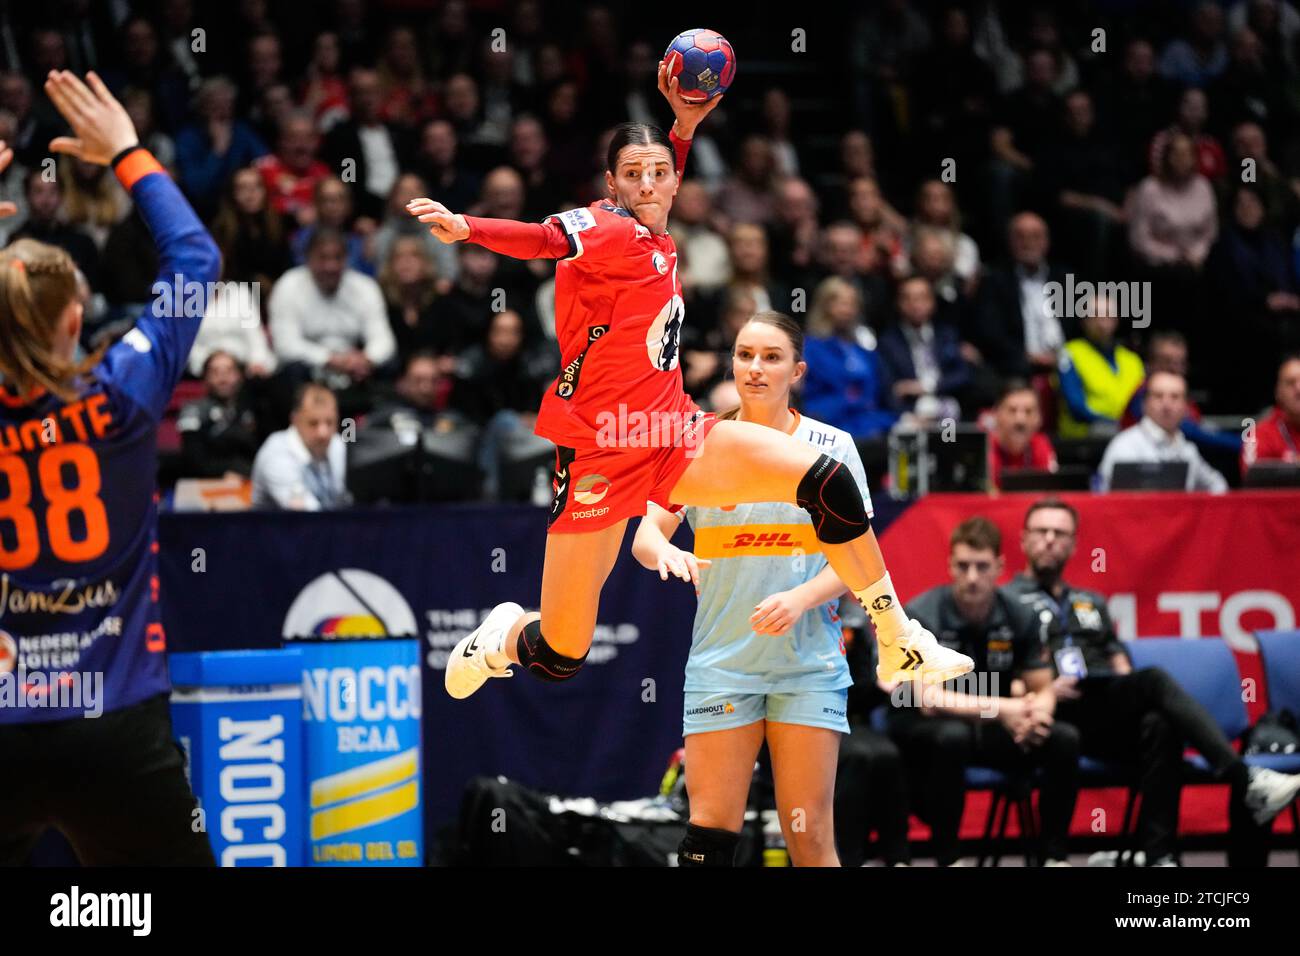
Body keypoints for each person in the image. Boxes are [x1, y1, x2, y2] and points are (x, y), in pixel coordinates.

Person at [409, 63, 974, 793]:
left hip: (673, 431)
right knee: (560, 652)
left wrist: (684, 127)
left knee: (825, 479)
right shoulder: (605, 229)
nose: (648, 184)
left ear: (673, 183)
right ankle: (503, 638)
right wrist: (468, 229)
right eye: (632, 175)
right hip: (601, 449)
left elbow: (659, 175)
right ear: (611, 186)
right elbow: (545, 239)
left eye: (658, 174)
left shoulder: (658, 230)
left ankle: (897, 636)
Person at [0, 70, 218, 865]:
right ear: (74, 317)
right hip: (117, 725)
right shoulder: (124, 391)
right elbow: (194, 259)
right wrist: (128, 153)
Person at [631, 311, 862, 867]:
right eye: (744, 355)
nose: (755, 368)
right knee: (708, 839)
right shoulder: (697, 442)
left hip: (807, 665)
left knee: (808, 838)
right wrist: (666, 551)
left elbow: (858, 562)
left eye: (772, 357)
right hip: (722, 662)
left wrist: (801, 597)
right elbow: (645, 535)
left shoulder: (831, 447)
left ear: (797, 371)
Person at [1005, 497, 1300, 864]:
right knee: (1156, 681)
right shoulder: (1006, 601)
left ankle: (1159, 858)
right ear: (1023, 539)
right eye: (1041, 532)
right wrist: (1043, 688)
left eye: (1060, 533)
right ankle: (1245, 779)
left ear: (1075, 544)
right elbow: (1002, 675)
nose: (1050, 540)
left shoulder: (1089, 601)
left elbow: (1117, 658)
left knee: (1160, 723)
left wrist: (1124, 691)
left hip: (1100, 703)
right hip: (1050, 714)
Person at [893, 518, 1080, 867]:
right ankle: (949, 858)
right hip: (920, 721)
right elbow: (927, 698)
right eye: (963, 566)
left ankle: (1055, 858)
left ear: (999, 567)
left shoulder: (1019, 614)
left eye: (982, 567)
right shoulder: (921, 614)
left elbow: (1042, 686)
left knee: (1062, 738)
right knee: (950, 737)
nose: (973, 577)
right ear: (950, 566)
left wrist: (1035, 717)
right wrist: (1005, 709)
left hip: (990, 723)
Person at [1098, 370, 1229, 492]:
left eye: (1175, 397)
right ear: (1144, 404)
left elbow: (1219, 486)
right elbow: (1103, 496)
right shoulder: (1124, 445)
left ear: (1186, 406)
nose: (1167, 405)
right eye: (1158, 396)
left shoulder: (1187, 449)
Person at [251, 383, 350, 511]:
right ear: (295, 420)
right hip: (277, 529)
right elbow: (307, 517)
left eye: (330, 423)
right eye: (313, 423)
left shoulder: (337, 445)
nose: (323, 433)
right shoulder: (276, 454)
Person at [177, 351, 261, 479]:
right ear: (205, 378)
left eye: (229, 371)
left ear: (240, 375)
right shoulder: (193, 411)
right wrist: (223, 473)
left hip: (250, 481)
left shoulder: (253, 410)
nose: (223, 378)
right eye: (215, 372)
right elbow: (193, 460)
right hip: (205, 483)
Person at [986, 378, 1059, 490]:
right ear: (996, 414)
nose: (1020, 420)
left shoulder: (1041, 445)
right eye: (1012, 410)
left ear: (1039, 418)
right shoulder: (985, 450)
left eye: (1029, 411)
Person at [1242, 352, 1300, 473]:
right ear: (1278, 393)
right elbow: (1253, 480)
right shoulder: (1260, 434)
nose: (1298, 389)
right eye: (1290, 382)